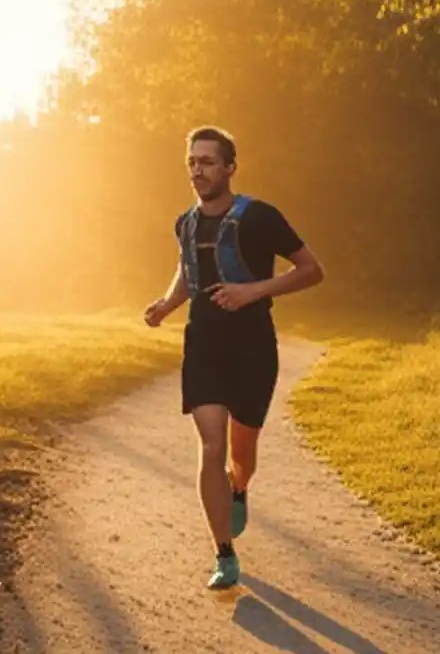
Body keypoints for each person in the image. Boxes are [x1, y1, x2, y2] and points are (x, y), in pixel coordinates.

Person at [143, 125, 325, 589]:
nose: (197, 170)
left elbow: (311, 270)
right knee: (210, 445)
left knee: (241, 452)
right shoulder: (184, 222)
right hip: (203, 342)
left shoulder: (261, 216)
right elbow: (189, 271)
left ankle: (238, 488)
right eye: (192, 162)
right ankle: (224, 552)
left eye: (206, 162)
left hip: (253, 346)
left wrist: (252, 291)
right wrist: (166, 305)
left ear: (229, 168)